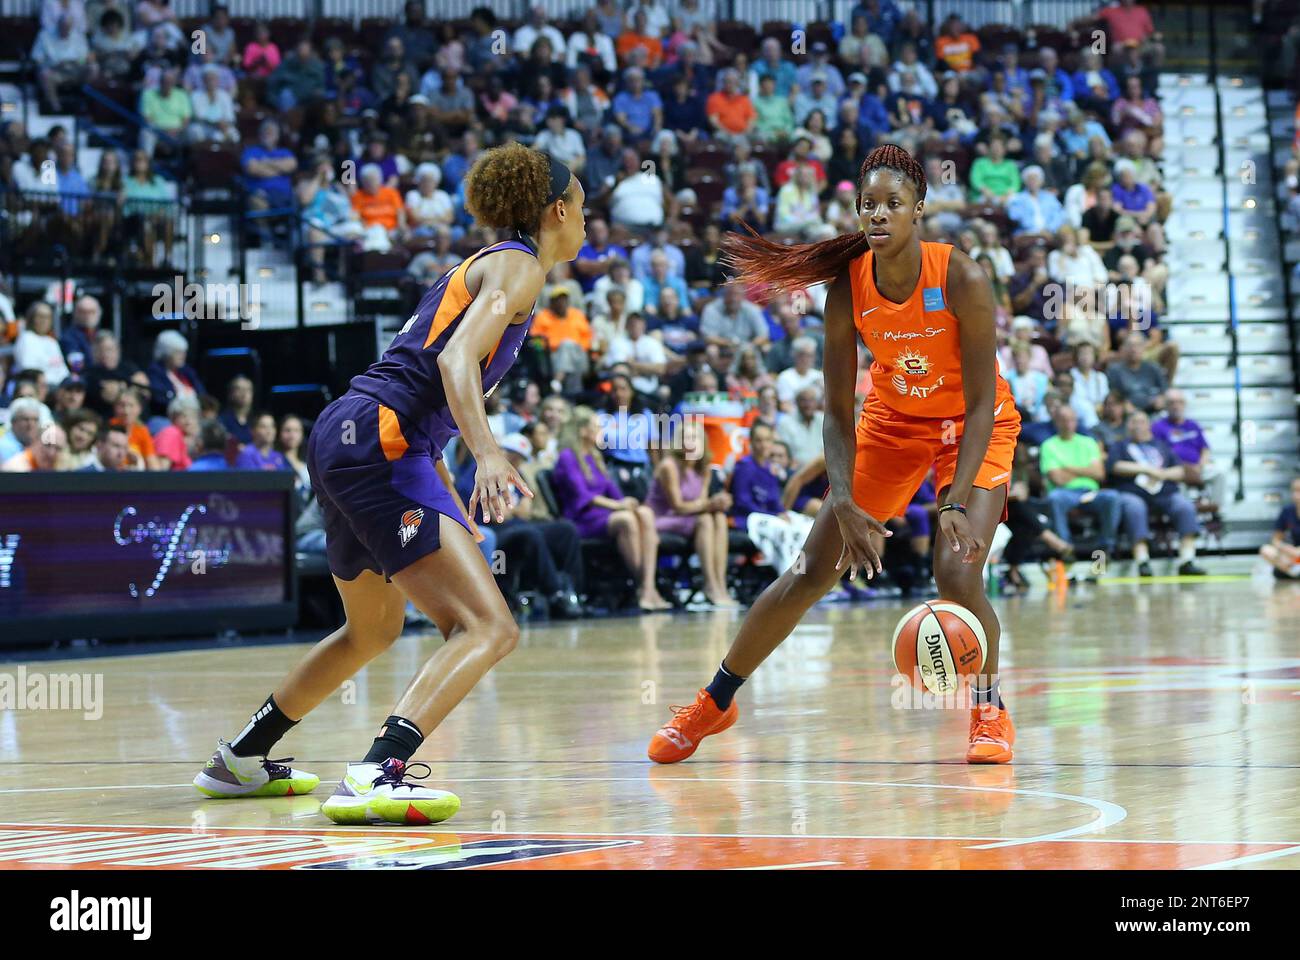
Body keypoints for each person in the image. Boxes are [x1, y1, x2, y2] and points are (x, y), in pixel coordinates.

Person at [193, 143, 587, 826]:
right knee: (488, 626)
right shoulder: (519, 266)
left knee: (370, 630)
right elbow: (457, 361)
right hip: (381, 438)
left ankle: (240, 759)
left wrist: (450, 493)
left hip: (351, 435)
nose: (587, 220)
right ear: (558, 209)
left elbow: (425, 384)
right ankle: (379, 772)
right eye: (583, 205)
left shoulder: (483, 265)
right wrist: (488, 454)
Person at [647, 145, 1022, 765]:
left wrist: (953, 500)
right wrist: (843, 501)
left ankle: (989, 710)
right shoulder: (848, 288)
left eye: (892, 204)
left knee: (956, 572)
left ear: (919, 210)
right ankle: (716, 700)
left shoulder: (961, 276)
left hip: (970, 426)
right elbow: (838, 411)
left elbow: (982, 403)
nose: (878, 214)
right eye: (867, 204)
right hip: (893, 423)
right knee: (807, 572)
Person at [551, 404, 671, 611]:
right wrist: (618, 506)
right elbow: (583, 496)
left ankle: (648, 588)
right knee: (626, 519)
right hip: (582, 519)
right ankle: (645, 586)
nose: (601, 431)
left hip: (604, 515)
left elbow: (612, 490)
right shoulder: (568, 457)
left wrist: (627, 503)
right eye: (597, 426)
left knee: (644, 513)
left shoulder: (595, 457)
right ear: (582, 430)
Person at [646, 417, 736, 607]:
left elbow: (701, 503)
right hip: (662, 518)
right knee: (705, 519)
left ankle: (721, 584)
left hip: (688, 518)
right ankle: (710, 583)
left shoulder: (704, 469)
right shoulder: (668, 466)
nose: (690, 442)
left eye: (695, 438)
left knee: (718, 518)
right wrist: (710, 504)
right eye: (686, 438)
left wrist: (717, 503)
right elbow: (678, 506)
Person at [1107, 409, 1206, 577]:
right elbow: (1115, 466)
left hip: (1164, 492)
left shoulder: (1161, 445)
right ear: (1128, 426)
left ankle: (1187, 560)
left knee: (1184, 506)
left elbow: (1180, 471)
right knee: (1134, 507)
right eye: (1133, 422)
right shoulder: (1120, 446)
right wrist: (1146, 469)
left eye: (1141, 422)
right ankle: (1142, 561)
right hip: (1133, 492)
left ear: (1149, 426)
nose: (1137, 426)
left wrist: (1162, 474)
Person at [1259, 476, 1300, 579]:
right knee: (1266, 550)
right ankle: (1294, 572)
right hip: (1293, 556)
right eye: (1294, 490)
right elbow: (1275, 539)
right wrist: (1286, 548)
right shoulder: (1287, 511)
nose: (1296, 495)